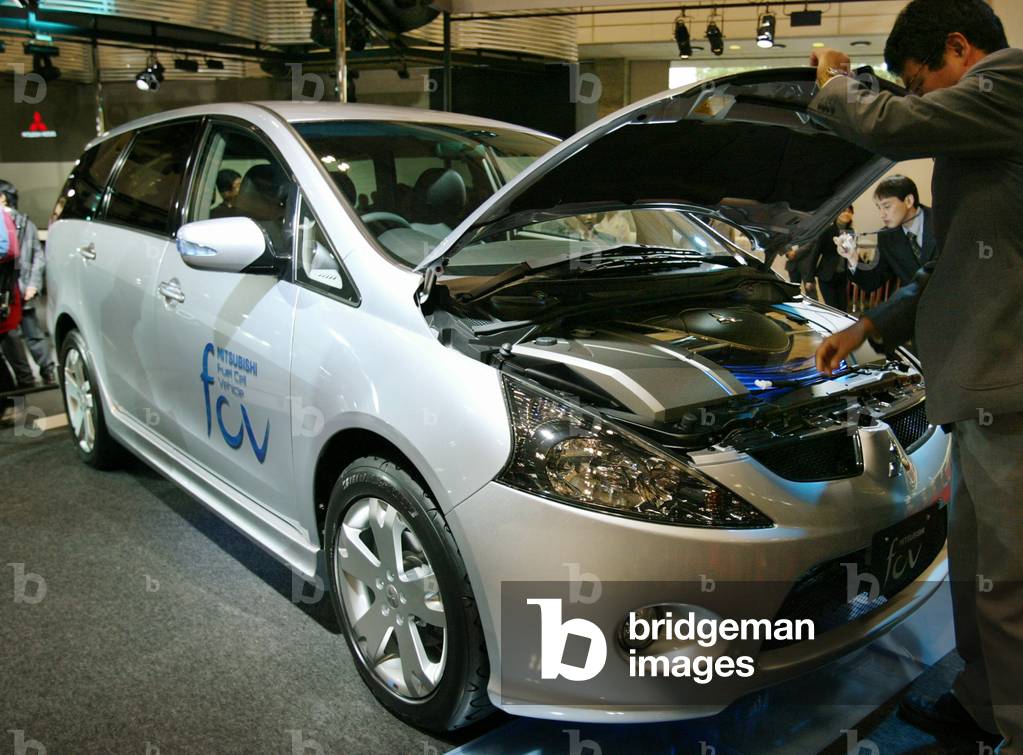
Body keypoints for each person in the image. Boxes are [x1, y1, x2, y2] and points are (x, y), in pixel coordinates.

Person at [810, 1, 1023, 752]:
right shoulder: (981, 134)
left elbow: (887, 126)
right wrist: (868, 325)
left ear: (960, 48)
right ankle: (979, 703)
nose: (921, 99)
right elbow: (943, 267)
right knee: (976, 573)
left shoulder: (1014, 84)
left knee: (1012, 588)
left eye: (918, 80)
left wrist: (837, 83)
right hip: (978, 392)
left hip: (1011, 392)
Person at [843, 176, 939, 293]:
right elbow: (871, 282)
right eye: (879, 208)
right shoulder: (886, 236)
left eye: (886, 206)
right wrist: (853, 257)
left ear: (909, 201)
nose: (882, 214)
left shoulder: (943, 221)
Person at [0, 180, 54, 385]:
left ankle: (46, 370)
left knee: (32, 333)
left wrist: (33, 284)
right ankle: (25, 378)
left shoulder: (24, 222)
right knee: (11, 337)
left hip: (21, 286)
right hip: (10, 288)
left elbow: (37, 256)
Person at [811, 205, 855, 310]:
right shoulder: (827, 230)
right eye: (843, 210)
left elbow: (852, 254)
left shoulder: (851, 232)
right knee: (833, 309)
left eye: (849, 211)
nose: (846, 213)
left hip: (842, 276)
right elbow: (815, 253)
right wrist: (809, 278)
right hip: (826, 276)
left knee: (843, 309)